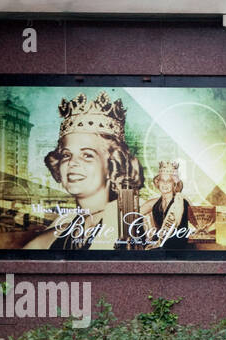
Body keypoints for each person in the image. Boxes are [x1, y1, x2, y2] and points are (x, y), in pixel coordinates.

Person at [23, 91, 144, 251]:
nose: (72, 163)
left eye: (87, 155)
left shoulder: (134, 225)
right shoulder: (52, 236)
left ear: (113, 166)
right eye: (66, 155)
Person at [139, 161, 199, 250]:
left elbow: (198, 224)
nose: (165, 184)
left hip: (180, 250)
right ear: (157, 183)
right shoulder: (154, 204)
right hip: (161, 249)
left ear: (174, 184)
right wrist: (144, 236)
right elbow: (133, 215)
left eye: (169, 181)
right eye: (162, 180)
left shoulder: (182, 202)